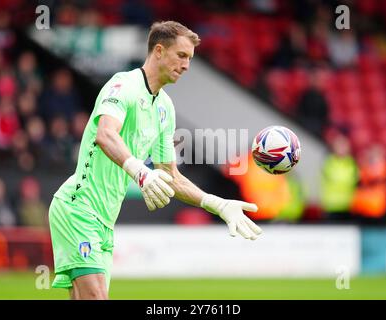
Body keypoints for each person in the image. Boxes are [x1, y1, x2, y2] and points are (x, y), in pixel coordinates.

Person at [48, 21, 262, 300]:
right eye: (181, 55)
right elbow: (105, 135)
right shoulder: (123, 85)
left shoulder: (165, 108)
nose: (186, 65)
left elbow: (170, 175)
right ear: (159, 51)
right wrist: (140, 171)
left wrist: (217, 204)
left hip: (104, 220)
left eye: (190, 59)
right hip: (78, 208)